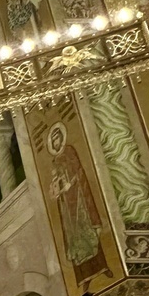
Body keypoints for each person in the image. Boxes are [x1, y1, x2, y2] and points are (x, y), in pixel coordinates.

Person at [46, 122, 110, 287]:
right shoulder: (54, 161)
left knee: (87, 232)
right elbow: (56, 182)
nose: (55, 142)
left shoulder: (69, 151)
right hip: (66, 207)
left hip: (79, 200)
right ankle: (84, 277)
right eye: (53, 140)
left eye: (57, 138)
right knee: (74, 239)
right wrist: (56, 190)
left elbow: (78, 171)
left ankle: (102, 267)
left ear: (61, 138)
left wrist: (71, 184)